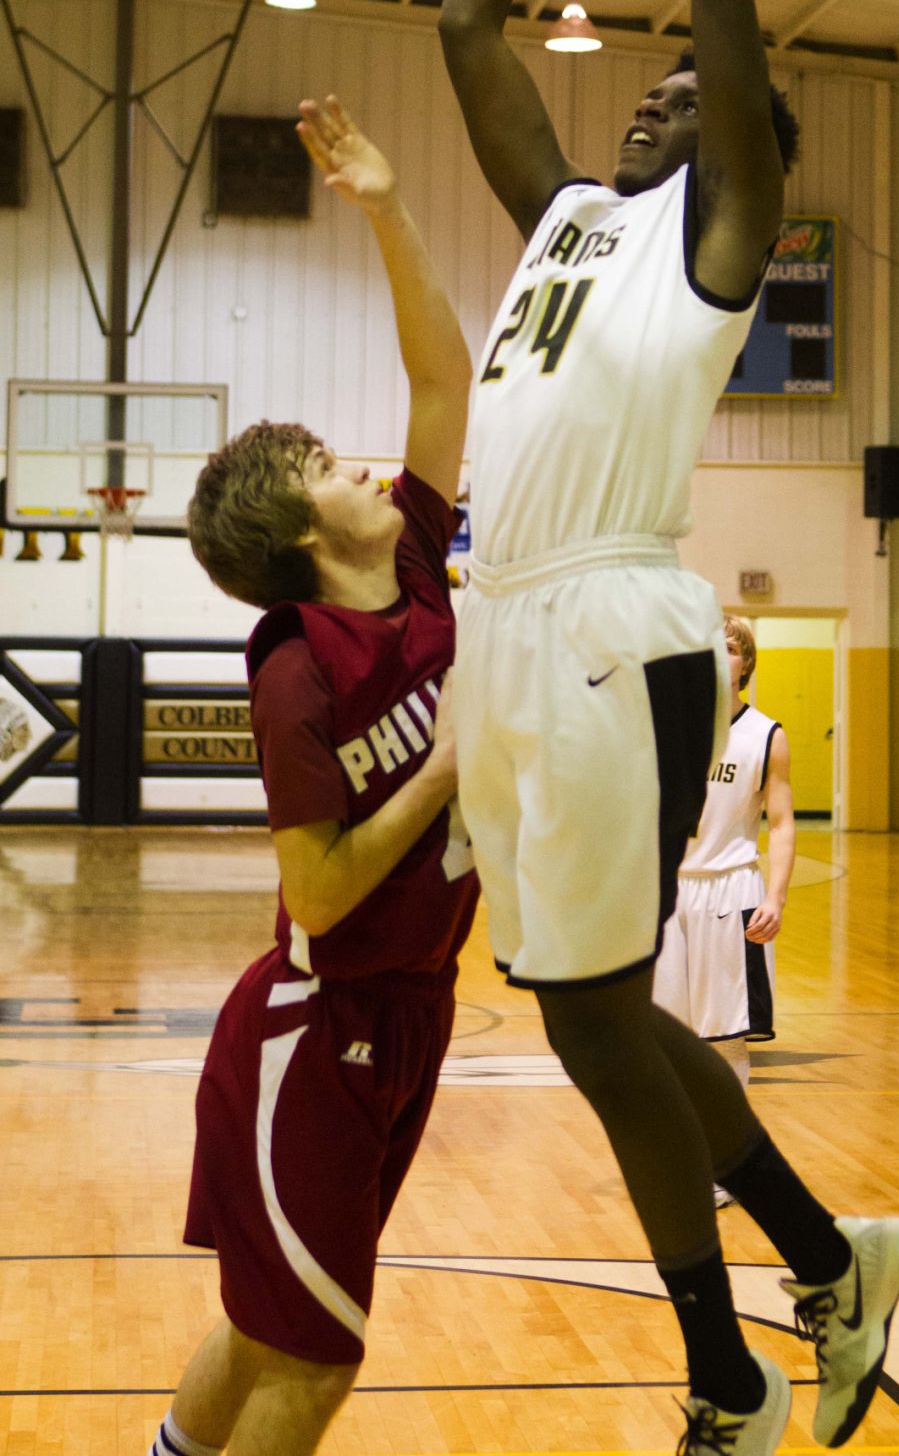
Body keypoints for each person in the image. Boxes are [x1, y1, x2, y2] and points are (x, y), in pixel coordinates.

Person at [438, 0, 899, 1456]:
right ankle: (816, 1262)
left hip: (611, 624)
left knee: (590, 1021)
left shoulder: (713, 245)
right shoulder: (569, 218)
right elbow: (466, 17)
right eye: (651, 80)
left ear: (748, 159)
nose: (662, 90)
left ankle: (732, 1360)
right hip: (516, 628)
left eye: (696, 90)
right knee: (597, 1018)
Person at [150, 98, 478, 1456]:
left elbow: (444, 382)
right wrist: (451, 764)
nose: (363, 461)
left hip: (414, 1006)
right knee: (315, 1355)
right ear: (298, 527)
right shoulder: (297, 671)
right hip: (315, 1023)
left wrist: (388, 207)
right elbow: (323, 893)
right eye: (328, 465)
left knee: (274, 1321)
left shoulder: (408, 563)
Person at [654, 615, 795, 1208]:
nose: (718, 653)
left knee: (726, 1040)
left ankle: (726, 1163)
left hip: (730, 893)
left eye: (730, 646)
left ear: (746, 664)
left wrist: (775, 897)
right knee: (664, 1039)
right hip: (669, 895)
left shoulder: (766, 734)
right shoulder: (668, 725)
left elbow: (783, 822)